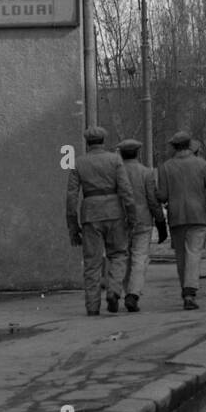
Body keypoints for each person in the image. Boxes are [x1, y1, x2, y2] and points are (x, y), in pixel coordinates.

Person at [65, 126, 137, 316]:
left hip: (90, 215)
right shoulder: (115, 160)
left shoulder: (78, 163)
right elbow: (127, 191)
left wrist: (73, 227)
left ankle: (92, 306)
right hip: (115, 212)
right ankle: (113, 290)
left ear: (87, 143)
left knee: (92, 262)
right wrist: (131, 216)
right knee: (119, 254)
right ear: (104, 141)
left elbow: (71, 197)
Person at [157, 130, 206, 310]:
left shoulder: (166, 167)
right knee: (194, 252)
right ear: (189, 145)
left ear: (174, 147)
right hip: (198, 215)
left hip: (176, 216)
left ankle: (185, 289)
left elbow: (162, 195)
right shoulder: (201, 164)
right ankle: (190, 292)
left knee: (181, 255)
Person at [116, 138, 166, 313]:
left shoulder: (116, 172)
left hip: (121, 221)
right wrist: (160, 222)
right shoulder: (147, 173)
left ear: (121, 153)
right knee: (140, 258)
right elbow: (153, 200)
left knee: (122, 257)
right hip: (143, 220)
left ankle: (122, 290)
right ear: (138, 153)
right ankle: (133, 294)